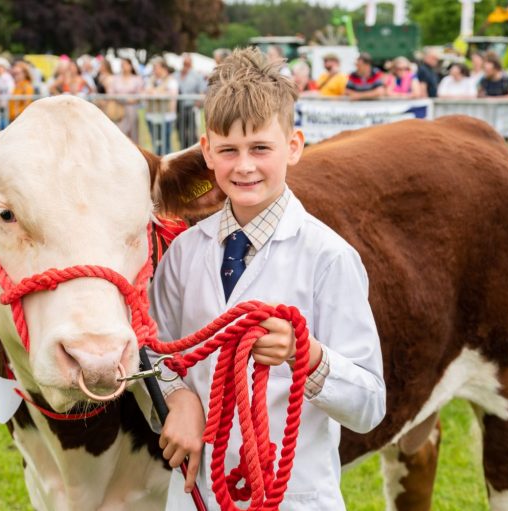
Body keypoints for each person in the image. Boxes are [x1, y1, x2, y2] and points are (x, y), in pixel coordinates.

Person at [150, 46, 385, 510]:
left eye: (260, 148)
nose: (244, 166)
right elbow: (155, 352)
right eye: (228, 150)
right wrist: (178, 398)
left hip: (293, 496)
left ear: (293, 147)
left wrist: (308, 356)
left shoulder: (329, 258)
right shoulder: (184, 253)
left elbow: (369, 405)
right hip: (197, 493)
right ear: (206, 153)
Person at [144, 56, 178, 155]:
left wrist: (155, 93)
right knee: (156, 143)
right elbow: (145, 92)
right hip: (151, 116)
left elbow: (171, 95)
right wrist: (159, 92)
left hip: (167, 117)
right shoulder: (150, 80)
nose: (154, 70)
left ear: (164, 68)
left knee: (166, 144)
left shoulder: (171, 81)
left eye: (156, 67)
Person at [175, 53, 207, 149]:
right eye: (184, 61)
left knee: (192, 133)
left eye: (187, 61)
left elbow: (202, 91)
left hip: (191, 108)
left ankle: (193, 151)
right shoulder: (177, 74)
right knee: (180, 131)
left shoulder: (197, 75)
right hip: (179, 108)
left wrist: (197, 104)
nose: (186, 63)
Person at [108, 57, 144, 143]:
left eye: (125, 64)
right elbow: (111, 93)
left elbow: (140, 94)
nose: (123, 66)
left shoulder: (136, 79)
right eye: (122, 65)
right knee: (119, 132)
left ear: (130, 66)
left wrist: (132, 100)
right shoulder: (116, 79)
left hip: (132, 109)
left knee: (133, 133)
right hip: (119, 109)